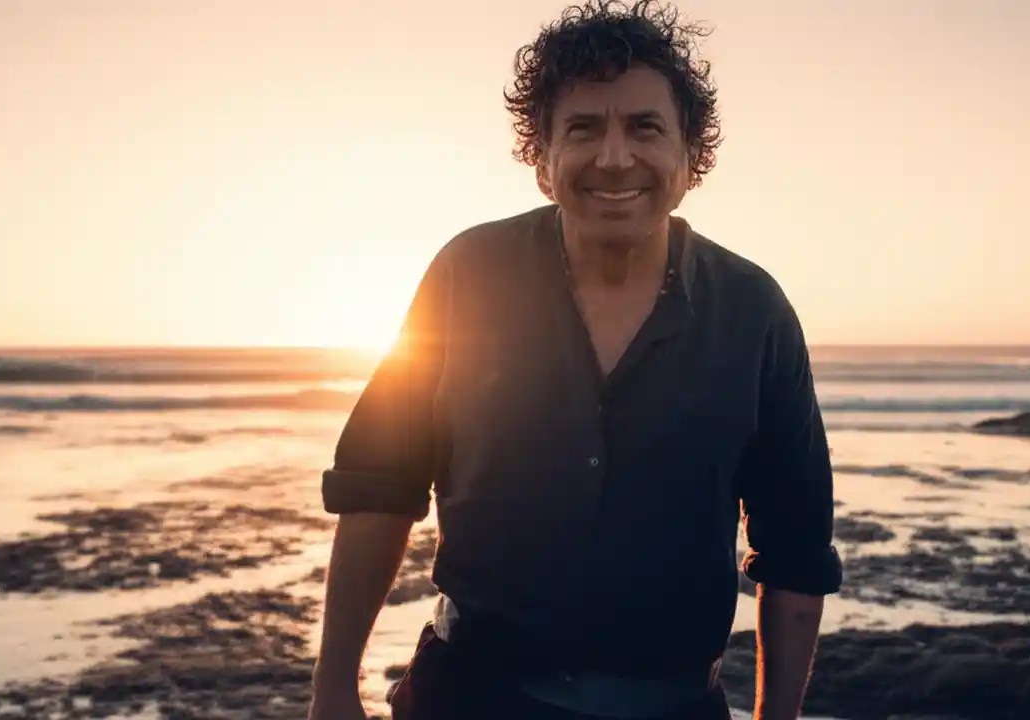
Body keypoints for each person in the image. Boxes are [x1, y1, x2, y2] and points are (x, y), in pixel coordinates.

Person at [308, 2, 841, 718]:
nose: (614, 158)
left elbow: (796, 549)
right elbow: (380, 484)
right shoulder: (468, 274)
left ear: (690, 156)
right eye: (583, 128)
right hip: (464, 698)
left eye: (645, 127)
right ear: (543, 159)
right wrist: (332, 689)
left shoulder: (753, 312)